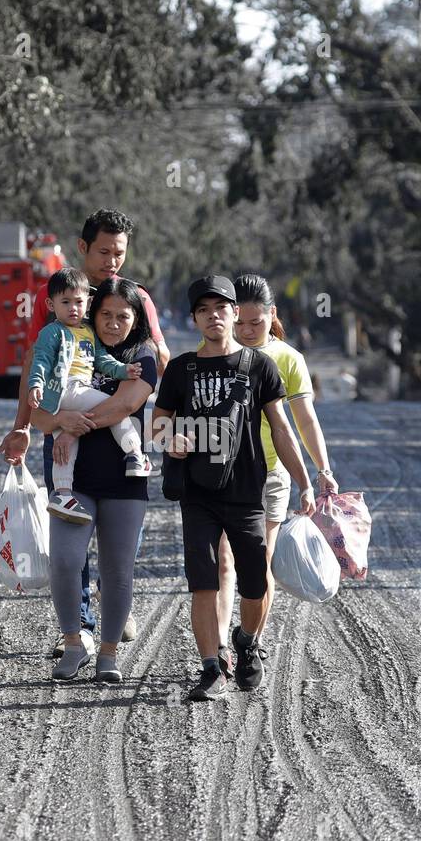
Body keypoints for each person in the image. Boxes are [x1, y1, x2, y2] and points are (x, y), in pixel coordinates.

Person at [0, 209, 169, 649]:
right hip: (62, 421)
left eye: (120, 253)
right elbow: (33, 361)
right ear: (83, 248)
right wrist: (26, 427)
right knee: (72, 521)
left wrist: (158, 412)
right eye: (104, 252)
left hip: (114, 424)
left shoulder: (136, 298)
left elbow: (158, 357)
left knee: (118, 536)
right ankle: (81, 625)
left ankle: (116, 604)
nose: (113, 261)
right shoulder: (55, 294)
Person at [153, 275, 315, 702]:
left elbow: (281, 428)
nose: (213, 316)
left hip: (246, 491)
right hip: (196, 493)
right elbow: (158, 420)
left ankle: (246, 641)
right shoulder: (181, 369)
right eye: (203, 310)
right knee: (202, 580)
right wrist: (169, 439)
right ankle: (210, 668)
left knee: (255, 581)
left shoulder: (259, 367)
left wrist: (305, 482)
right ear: (194, 319)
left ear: (234, 313)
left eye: (220, 309)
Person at [28, 278, 158, 682]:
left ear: (135, 319)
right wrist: (54, 422)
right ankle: (72, 642)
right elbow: (37, 413)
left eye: (123, 316)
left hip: (124, 477)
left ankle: (109, 653)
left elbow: (127, 402)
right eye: (106, 314)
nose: (114, 323)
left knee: (118, 570)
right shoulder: (64, 342)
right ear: (91, 312)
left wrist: (71, 429)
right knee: (65, 562)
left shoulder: (143, 354)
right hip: (73, 479)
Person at [215, 275, 338, 659]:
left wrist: (322, 469)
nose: (248, 331)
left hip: (271, 473)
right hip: (222, 474)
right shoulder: (214, 352)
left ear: (272, 315)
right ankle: (218, 650)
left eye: (257, 322)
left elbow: (305, 420)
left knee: (259, 562)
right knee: (222, 562)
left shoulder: (288, 359)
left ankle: (250, 639)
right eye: (240, 322)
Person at [27, 267, 150, 523]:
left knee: (64, 448)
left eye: (79, 302)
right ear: (51, 304)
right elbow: (40, 361)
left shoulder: (88, 332)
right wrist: (36, 385)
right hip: (68, 389)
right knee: (115, 413)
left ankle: (62, 493)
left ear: (88, 303)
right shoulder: (52, 332)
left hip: (70, 399)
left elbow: (102, 360)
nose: (73, 308)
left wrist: (122, 370)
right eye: (66, 302)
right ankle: (136, 455)